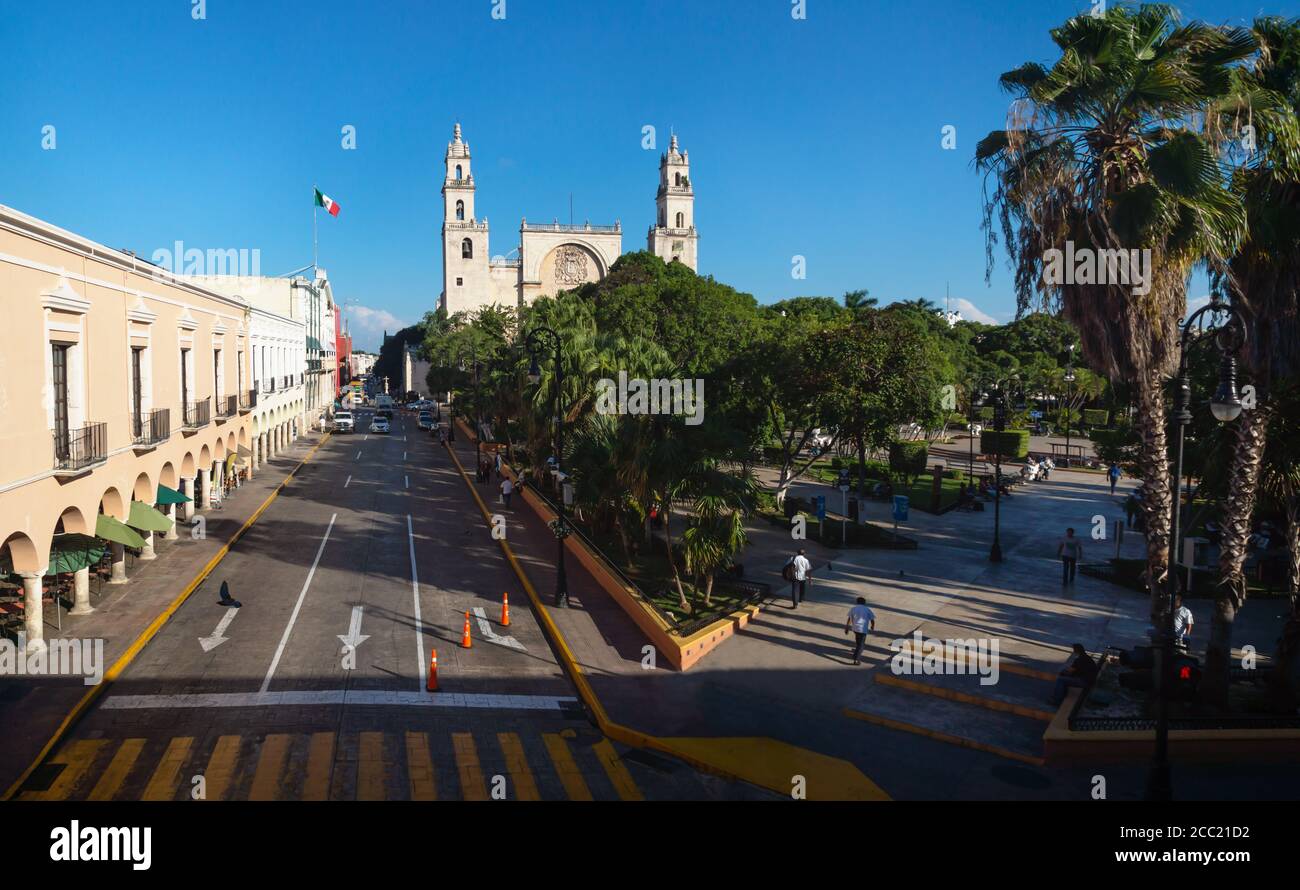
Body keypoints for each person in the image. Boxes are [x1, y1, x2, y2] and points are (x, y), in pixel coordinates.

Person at [844, 597, 877, 665]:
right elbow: (872, 619)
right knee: (861, 645)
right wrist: (872, 626)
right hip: (863, 629)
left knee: (858, 643)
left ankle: (855, 654)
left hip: (855, 629)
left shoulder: (853, 608)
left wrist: (847, 627)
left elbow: (849, 619)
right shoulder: (867, 609)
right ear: (864, 603)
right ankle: (856, 659)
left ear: (857, 602)